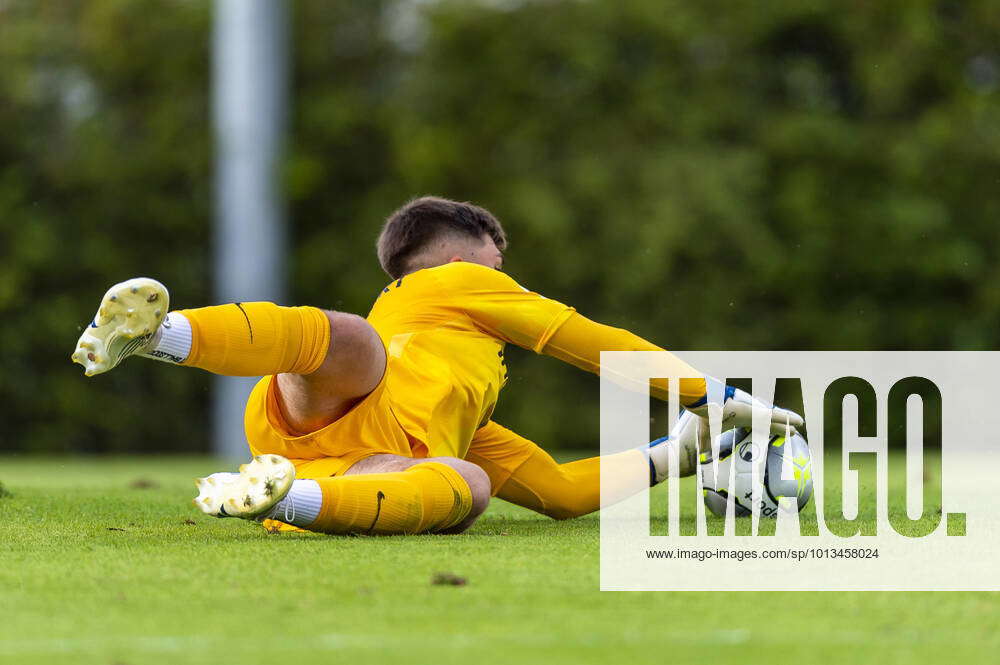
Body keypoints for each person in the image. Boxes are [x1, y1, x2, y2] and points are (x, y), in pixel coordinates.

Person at [72, 196, 801, 535]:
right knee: (352, 340)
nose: (504, 277)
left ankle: (285, 502)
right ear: (459, 255)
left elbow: (558, 492)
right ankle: (161, 333)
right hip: (356, 398)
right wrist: (712, 391)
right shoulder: (450, 283)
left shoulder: (462, 401)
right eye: (497, 262)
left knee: (469, 484)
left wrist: (681, 452)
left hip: (344, 455)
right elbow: (587, 339)